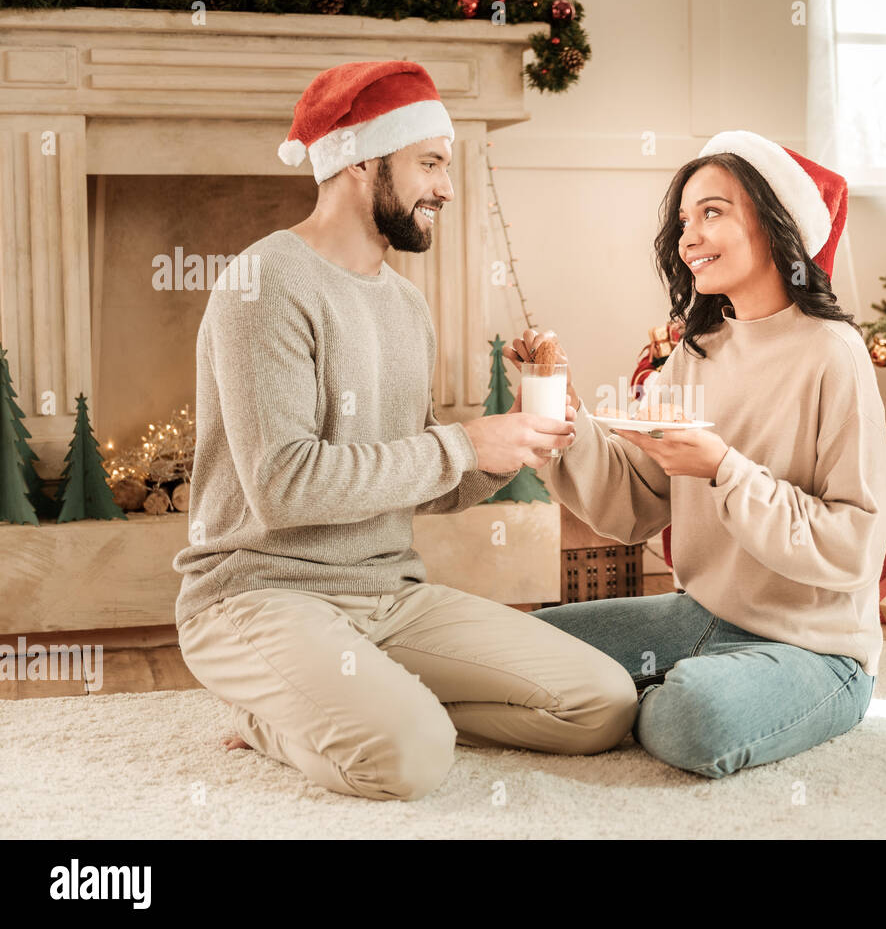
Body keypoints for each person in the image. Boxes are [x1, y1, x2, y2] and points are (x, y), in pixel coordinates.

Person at [172, 61, 638, 802]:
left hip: (389, 597)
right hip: (260, 597)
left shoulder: (404, 306)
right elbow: (285, 488)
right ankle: (284, 721)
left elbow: (412, 484)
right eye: (429, 164)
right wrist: (462, 444)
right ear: (361, 159)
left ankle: (379, 704)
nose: (446, 189)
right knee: (410, 760)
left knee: (602, 704)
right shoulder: (264, 285)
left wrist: (511, 442)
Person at [509, 130, 886, 779]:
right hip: (702, 616)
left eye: (712, 211)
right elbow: (636, 504)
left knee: (691, 717)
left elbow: (854, 544)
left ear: (775, 222)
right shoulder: (696, 352)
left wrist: (723, 470)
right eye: (684, 219)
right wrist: (563, 416)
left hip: (815, 650)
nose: (688, 237)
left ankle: (646, 694)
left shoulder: (834, 353)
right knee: (516, 650)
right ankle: (648, 685)